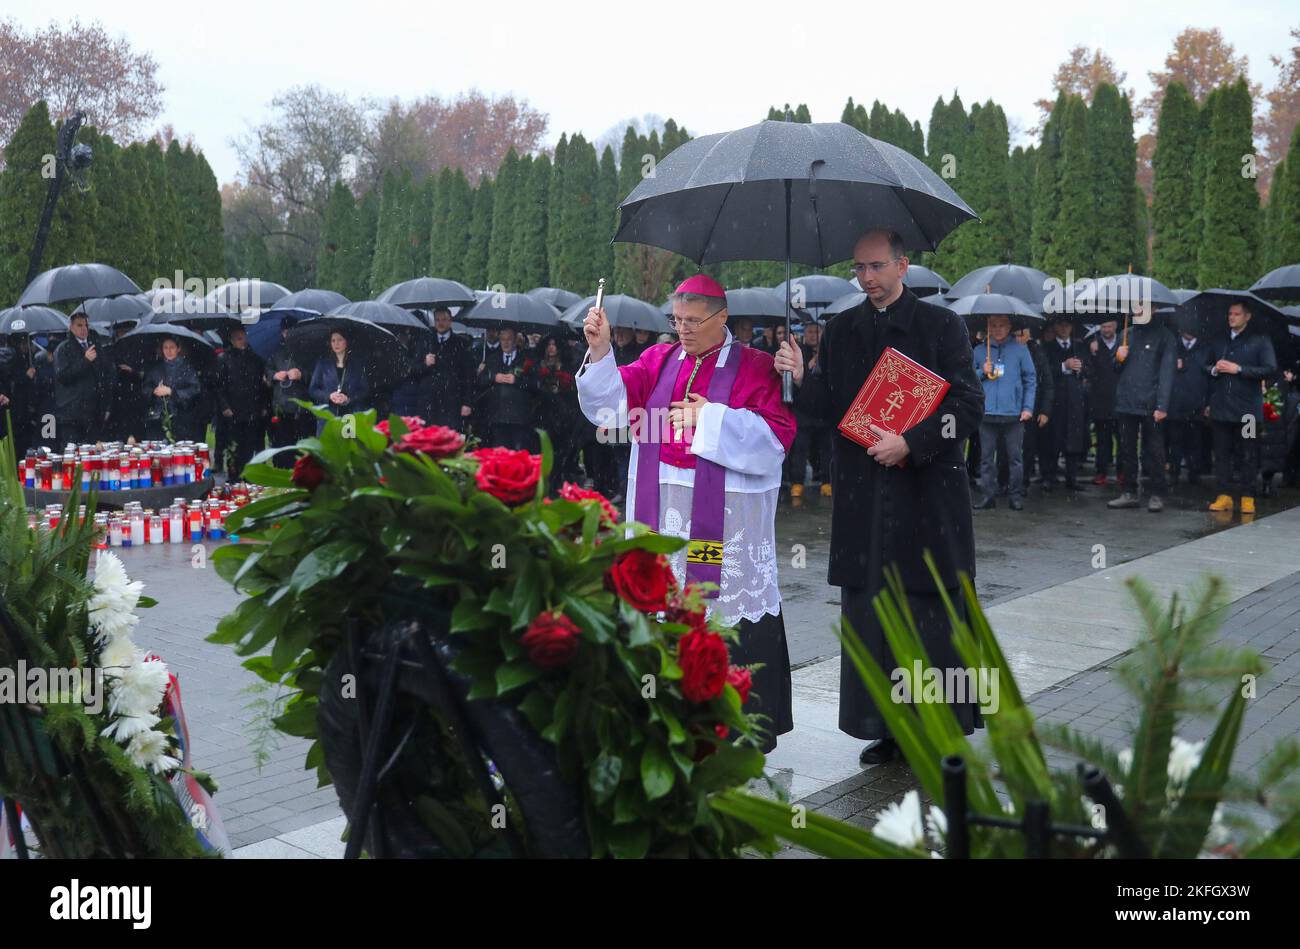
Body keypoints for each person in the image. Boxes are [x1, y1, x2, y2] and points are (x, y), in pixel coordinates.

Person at [782, 230, 984, 765]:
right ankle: (888, 727)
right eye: (859, 268)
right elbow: (827, 408)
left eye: (876, 267)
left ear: (903, 265)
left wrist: (911, 443)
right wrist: (803, 375)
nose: (867, 278)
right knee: (873, 614)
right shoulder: (842, 328)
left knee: (927, 615)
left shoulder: (941, 325)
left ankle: (939, 727)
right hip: (864, 499)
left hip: (927, 499)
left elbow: (968, 405)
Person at [578, 274, 796, 753]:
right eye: (676, 319)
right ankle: (671, 716)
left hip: (721, 522)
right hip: (665, 515)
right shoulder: (659, 359)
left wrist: (709, 417)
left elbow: (776, 439)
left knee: (717, 608)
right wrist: (600, 352)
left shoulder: (757, 366)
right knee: (668, 606)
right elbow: (613, 410)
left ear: (723, 318)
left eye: (694, 321)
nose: (683, 330)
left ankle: (739, 726)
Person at [1203, 300, 1278, 514]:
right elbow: (1205, 365)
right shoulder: (1219, 340)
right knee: (1222, 453)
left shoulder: (1260, 341)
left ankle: (1247, 495)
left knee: (1249, 453)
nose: (1231, 317)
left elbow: (1270, 369)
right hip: (1221, 408)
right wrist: (1215, 370)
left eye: (1236, 314)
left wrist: (1239, 369)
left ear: (1247, 316)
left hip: (1249, 411)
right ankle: (1224, 494)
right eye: (1230, 313)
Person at [1107, 303, 1176, 512]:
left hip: (1151, 402)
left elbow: (1167, 372)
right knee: (1126, 449)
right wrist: (1118, 357)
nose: (1136, 312)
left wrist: (1162, 405)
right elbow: (1114, 367)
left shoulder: (1165, 336)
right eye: (1134, 308)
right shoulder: (1125, 334)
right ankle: (1128, 491)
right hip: (1126, 400)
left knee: (1154, 450)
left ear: (1153, 310)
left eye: (1142, 308)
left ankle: (1157, 493)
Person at [972, 315, 1036, 511]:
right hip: (987, 412)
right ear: (988, 328)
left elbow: (1030, 379)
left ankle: (1015, 496)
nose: (998, 329)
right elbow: (968, 378)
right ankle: (988, 496)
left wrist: (1027, 408)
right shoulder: (979, 351)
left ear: (1009, 327)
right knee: (986, 458)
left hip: (1013, 413)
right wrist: (982, 371)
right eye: (993, 325)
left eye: (1002, 325)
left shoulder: (1020, 350)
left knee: (1014, 458)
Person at [1041, 316, 1090, 494]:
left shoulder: (1080, 347)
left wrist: (1081, 368)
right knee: (1052, 439)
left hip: (1075, 400)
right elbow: (1045, 372)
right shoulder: (1047, 348)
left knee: (1074, 439)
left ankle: (1072, 477)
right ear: (1055, 327)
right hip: (1055, 400)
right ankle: (1048, 477)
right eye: (1060, 325)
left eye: (1067, 325)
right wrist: (1064, 366)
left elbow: (1089, 369)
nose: (1063, 329)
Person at [786, 320, 831, 501]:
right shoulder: (800, 351)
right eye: (810, 332)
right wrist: (810, 364)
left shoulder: (827, 351)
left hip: (824, 412)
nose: (814, 335)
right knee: (800, 451)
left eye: (817, 332)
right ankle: (797, 484)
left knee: (826, 450)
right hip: (803, 411)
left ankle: (826, 482)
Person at [217, 326, 269, 480]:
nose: (243, 341)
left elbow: (262, 386)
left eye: (244, 337)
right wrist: (225, 406)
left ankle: (250, 475)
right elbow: (219, 387)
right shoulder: (224, 359)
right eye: (238, 338)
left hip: (252, 407)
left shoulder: (256, 359)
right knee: (234, 444)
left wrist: (264, 405)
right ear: (232, 341)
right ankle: (234, 475)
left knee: (250, 443)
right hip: (233, 408)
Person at [1165, 316, 1211, 486]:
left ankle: (1195, 472)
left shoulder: (1206, 349)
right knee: (1175, 440)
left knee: (1195, 441)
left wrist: (1208, 402)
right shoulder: (1172, 347)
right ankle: (1174, 472)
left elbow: (1210, 375)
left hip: (1197, 402)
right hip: (1175, 403)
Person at [477, 326, 538, 451]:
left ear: (516, 340)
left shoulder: (526, 360)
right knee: (500, 454)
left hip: (519, 418)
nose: (505, 342)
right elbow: (480, 382)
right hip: (497, 417)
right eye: (502, 339)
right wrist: (493, 377)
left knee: (519, 454)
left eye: (509, 339)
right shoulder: (491, 359)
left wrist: (517, 381)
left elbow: (535, 384)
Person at [53, 313, 108, 445]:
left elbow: (103, 374)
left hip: (92, 413)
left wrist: (105, 405)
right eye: (79, 325)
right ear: (71, 327)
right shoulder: (63, 348)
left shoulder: (94, 345)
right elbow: (63, 376)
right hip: (71, 414)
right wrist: (85, 361)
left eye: (86, 325)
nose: (84, 328)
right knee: (73, 454)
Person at [266, 316, 312, 465]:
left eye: (291, 332)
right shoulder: (275, 352)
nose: (288, 335)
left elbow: (316, 376)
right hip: (281, 407)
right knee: (281, 445)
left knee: (301, 446)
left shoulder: (307, 352)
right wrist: (274, 375)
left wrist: (301, 374)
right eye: (285, 332)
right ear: (282, 333)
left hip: (301, 408)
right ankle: (281, 473)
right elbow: (267, 371)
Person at [536, 333, 582, 482]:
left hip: (562, 414)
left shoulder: (566, 366)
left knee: (559, 448)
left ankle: (556, 478)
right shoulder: (539, 364)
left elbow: (572, 388)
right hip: (542, 411)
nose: (551, 348)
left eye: (554, 345)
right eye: (549, 344)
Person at [1014, 325, 1052, 497]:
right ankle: (1004, 482)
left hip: (1031, 407)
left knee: (1027, 448)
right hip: (1010, 407)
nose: (1019, 337)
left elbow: (1046, 384)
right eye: (1016, 334)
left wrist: (1045, 410)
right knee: (1006, 449)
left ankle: (1023, 481)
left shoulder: (1038, 353)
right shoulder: (1006, 349)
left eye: (1022, 334)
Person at [422, 307, 475, 430]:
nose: (440, 323)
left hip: (452, 402)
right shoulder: (425, 341)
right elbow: (413, 368)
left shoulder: (461, 343)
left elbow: (468, 376)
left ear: (450, 321)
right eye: (437, 320)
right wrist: (425, 363)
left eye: (444, 319)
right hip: (429, 402)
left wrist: (467, 402)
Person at [309, 330, 370, 435]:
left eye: (339, 340)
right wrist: (329, 396)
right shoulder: (323, 364)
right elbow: (313, 389)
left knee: (348, 448)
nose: (336, 343)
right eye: (333, 340)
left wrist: (348, 399)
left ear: (346, 342)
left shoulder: (357, 365)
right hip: (328, 416)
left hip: (350, 415)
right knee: (329, 449)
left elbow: (364, 390)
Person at [142, 336, 202, 441]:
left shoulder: (187, 368)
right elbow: (145, 388)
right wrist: (154, 392)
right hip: (158, 418)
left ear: (178, 349)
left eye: (172, 347)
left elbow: (195, 389)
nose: (168, 351)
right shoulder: (155, 368)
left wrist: (172, 392)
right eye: (165, 347)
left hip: (181, 417)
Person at [1088, 320, 1121, 485]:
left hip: (1121, 399)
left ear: (1115, 326)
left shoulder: (1124, 343)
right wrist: (1092, 354)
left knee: (1123, 440)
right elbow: (1088, 371)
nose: (1106, 330)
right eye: (1103, 327)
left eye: (1109, 326)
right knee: (1102, 440)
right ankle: (1101, 472)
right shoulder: (1093, 345)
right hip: (1101, 400)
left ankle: (1123, 473)